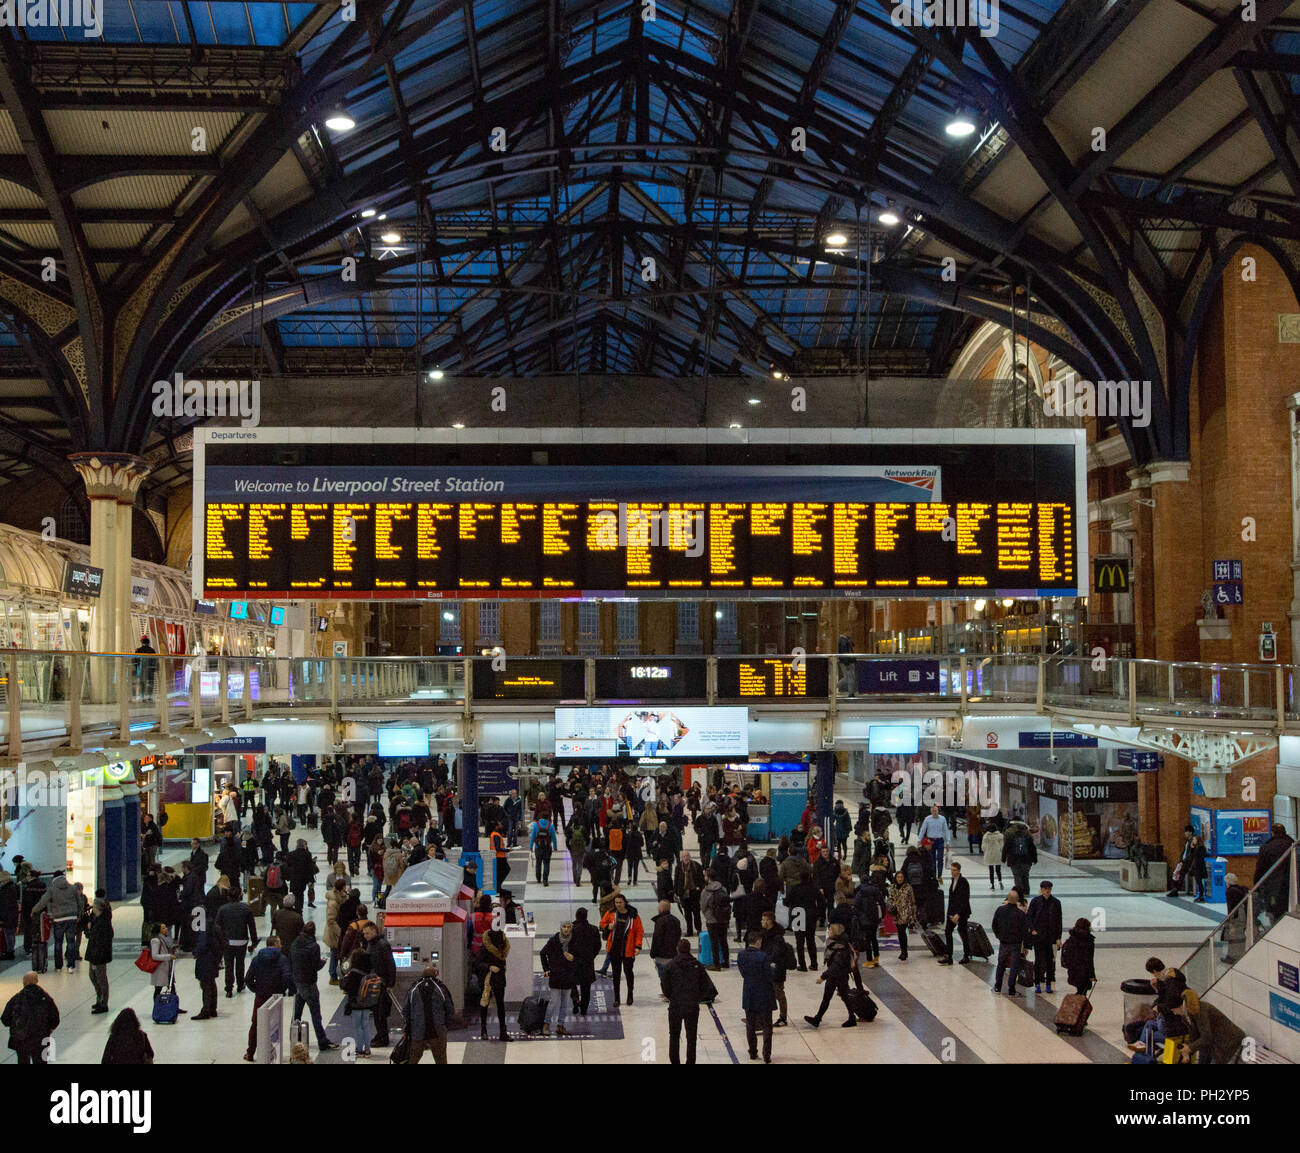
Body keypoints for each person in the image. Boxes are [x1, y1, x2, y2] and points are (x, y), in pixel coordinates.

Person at [659, 938, 717, 1065]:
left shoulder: (670, 966)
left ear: (677, 950)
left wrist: (672, 997)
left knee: (674, 1036)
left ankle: (675, 1061)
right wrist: (696, 997)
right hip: (692, 1006)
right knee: (691, 1038)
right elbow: (706, 986)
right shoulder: (698, 966)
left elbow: (664, 985)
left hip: (676, 1006)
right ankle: (690, 1062)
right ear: (689, 949)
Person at [290, 922, 336, 1052]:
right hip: (309, 984)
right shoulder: (314, 946)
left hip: (298, 982)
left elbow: (291, 961)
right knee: (316, 1014)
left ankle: (294, 1039)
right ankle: (322, 1041)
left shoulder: (294, 943)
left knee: (297, 1014)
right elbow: (315, 966)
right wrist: (323, 962)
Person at [803, 922, 859, 1028]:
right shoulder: (835, 943)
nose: (828, 932)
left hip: (838, 976)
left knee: (839, 997)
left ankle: (850, 1018)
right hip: (837, 975)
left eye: (830, 930)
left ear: (835, 932)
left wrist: (823, 977)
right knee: (834, 997)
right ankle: (818, 1018)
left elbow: (835, 966)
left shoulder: (840, 948)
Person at [737, 929, 778, 1062]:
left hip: (749, 993)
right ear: (759, 942)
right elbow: (770, 975)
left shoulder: (741, 955)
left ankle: (753, 1051)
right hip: (764, 994)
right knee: (767, 1025)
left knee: (750, 1024)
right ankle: (766, 1054)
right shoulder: (763, 957)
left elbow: (743, 973)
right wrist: (773, 968)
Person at [2, 972, 59, 1064]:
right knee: (41, 1061)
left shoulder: (17, 998)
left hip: (21, 1039)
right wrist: (49, 1028)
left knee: (23, 1060)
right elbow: (55, 1017)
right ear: (36, 981)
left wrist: (15, 1026)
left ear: (24, 983)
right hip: (41, 1037)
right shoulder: (45, 997)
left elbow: (5, 1018)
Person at [31, 870, 80, 972]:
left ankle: (58, 966)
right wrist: (79, 915)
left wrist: (34, 910)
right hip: (72, 917)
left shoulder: (52, 889)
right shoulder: (73, 888)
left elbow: (43, 902)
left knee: (58, 942)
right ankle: (70, 966)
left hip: (58, 918)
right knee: (71, 942)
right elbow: (79, 902)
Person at [599, 893, 644, 1006]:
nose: (618, 904)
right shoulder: (611, 913)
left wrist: (638, 946)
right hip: (614, 949)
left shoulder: (633, 916)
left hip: (628, 950)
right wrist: (607, 926)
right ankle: (617, 998)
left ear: (625, 902)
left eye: (620, 902)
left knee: (628, 973)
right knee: (616, 974)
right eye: (616, 902)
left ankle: (630, 995)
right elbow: (602, 923)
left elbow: (639, 931)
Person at [404, 964, 455, 1063]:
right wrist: (445, 1025)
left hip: (418, 1031)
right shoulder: (440, 988)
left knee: (413, 1059)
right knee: (441, 1059)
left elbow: (406, 1011)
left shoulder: (414, 989)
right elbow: (450, 1010)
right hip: (437, 1030)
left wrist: (409, 1027)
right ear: (435, 975)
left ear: (422, 975)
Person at [216, 887, 258, 997]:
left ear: (228, 896)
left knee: (229, 965)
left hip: (228, 941)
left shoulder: (222, 909)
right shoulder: (246, 909)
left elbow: (217, 927)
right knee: (240, 963)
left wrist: (219, 941)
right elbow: (252, 927)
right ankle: (240, 984)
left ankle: (229, 988)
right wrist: (254, 942)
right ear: (240, 896)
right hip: (241, 941)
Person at [539, 922, 577, 1037]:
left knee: (565, 1003)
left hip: (568, 976)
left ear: (571, 928)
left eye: (568, 927)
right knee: (553, 1002)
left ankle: (560, 1025)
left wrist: (573, 958)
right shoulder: (554, 940)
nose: (566, 929)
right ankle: (546, 1024)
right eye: (564, 927)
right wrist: (546, 969)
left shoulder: (574, 941)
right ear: (561, 928)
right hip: (556, 975)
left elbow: (580, 957)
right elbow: (542, 953)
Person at [364, 921, 397, 1047]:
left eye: (367, 933)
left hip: (381, 984)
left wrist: (390, 984)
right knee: (376, 1012)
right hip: (373, 983)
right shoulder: (371, 944)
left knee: (380, 1013)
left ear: (374, 931)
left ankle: (383, 1037)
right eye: (364, 934)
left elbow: (390, 965)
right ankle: (380, 1034)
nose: (365, 936)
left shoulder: (382, 945)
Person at [1026, 880, 1063, 992]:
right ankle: (1037, 982)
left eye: (1049, 889)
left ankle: (1048, 983)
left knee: (1050, 960)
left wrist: (1058, 937)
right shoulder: (1036, 901)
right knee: (1038, 960)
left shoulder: (1055, 902)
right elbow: (1029, 917)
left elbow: (1059, 921)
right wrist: (1032, 930)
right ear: (1041, 890)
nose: (1047, 891)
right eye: (1045, 889)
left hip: (1050, 936)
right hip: (1038, 936)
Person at [475, 927, 511, 1041]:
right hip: (487, 978)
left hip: (499, 977)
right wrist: (489, 967)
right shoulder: (485, 948)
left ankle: (503, 1031)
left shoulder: (503, 946)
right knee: (484, 1003)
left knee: (500, 1005)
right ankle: (483, 1030)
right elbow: (477, 964)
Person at [1253, 823, 1294, 923]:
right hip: (1292, 885)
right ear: (1285, 832)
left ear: (1272, 833)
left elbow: (1260, 869)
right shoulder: (1293, 845)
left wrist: (1256, 887)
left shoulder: (1266, 848)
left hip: (1273, 887)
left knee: (1275, 913)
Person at [991, 890, 1029, 996]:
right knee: (1014, 966)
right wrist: (1024, 944)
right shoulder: (1020, 914)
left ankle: (997, 987)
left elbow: (994, 925)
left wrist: (999, 936)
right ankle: (1011, 989)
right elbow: (1024, 930)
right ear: (1017, 900)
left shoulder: (1000, 910)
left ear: (1007, 898)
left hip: (1004, 942)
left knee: (1001, 964)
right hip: (1016, 943)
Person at [339, 948, 375, 1057]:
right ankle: (367, 1049)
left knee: (357, 1027)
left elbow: (345, 986)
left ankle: (359, 1049)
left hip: (356, 1003)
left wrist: (344, 979)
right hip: (367, 1002)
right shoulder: (368, 972)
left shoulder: (353, 974)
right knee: (366, 1026)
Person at [784, 868, 819, 971]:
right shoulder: (814, 888)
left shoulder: (795, 888)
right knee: (811, 940)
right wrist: (818, 914)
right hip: (811, 915)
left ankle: (802, 965)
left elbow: (787, 902)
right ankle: (814, 964)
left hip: (798, 914)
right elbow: (821, 902)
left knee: (799, 942)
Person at [938, 861, 972, 965]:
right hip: (952, 912)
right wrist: (950, 913)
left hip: (962, 913)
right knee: (948, 931)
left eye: (955, 870)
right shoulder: (953, 880)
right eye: (952, 870)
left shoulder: (963, 882)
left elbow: (964, 899)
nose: (953, 872)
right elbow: (952, 899)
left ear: (959, 870)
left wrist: (958, 914)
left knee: (963, 933)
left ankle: (966, 955)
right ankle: (949, 956)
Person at [569, 906, 601, 1015]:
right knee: (586, 987)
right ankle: (583, 1009)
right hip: (587, 962)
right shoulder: (594, 929)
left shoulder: (571, 929)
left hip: (574, 962)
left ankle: (575, 999)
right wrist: (592, 956)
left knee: (572, 982)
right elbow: (598, 945)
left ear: (576, 916)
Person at [85, 896, 114, 1014]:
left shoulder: (103, 923)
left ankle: (103, 1002)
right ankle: (99, 998)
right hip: (94, 953)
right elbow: (91, 936)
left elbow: (101, 942)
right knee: (93, 976)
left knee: (101, 978)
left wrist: (95, 960)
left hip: (99, 955)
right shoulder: (96, 920)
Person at [701, 867, 732, 970]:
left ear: (708, 878)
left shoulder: (706, 891)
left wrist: (707, 915)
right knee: (724, 940)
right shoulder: (723, 888)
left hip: (711, 919)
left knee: (714, 942)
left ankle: (716, 964)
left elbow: (703, 906)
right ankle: (726, 962)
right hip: (723, 918)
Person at [1060, 917, 1096, 997]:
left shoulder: (1071, 939)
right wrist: (1092, 976)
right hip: (1084, 973)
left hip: (1073, 971)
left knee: (1080, 991)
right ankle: (1077, 1004)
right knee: (1082, 993)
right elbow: (1089, 960)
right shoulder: (1088, 941)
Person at [649, 899, 683, 986]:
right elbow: (678, 935)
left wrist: (653, 953)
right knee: (672, 977)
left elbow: (657, 939)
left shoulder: (660, 921)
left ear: (661, 908)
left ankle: (667, 991)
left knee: (664, 978)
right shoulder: (676, 920)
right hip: (673, 954)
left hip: (662, 955)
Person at [1002, 824, 1038, 897]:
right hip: (1026, 860)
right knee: (1025, 876)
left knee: (1017, 876)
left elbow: (1006, 848)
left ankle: (1019, 893)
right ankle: (1026, 891)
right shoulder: (1028, 837)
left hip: (1014, 860)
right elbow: (1033, 849)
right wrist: (1035, 859)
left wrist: (1003, 858)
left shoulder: (1011, 836)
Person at [917, 804, 951, 879]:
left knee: (940, 858)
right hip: (930, 841)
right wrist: (919, 840)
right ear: (931, 811)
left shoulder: (942, 819)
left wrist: (948, 841)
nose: (934, 812)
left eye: (935, 811)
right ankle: (934, 876)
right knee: (932, 859)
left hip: (940, 840)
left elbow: (946, 830)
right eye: (933, 811)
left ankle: (939, 875)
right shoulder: (927, 819)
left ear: (938, 811)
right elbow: (923, 829)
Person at [675, 850, 704, 937]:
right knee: (687, 914)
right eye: (684, 856)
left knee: (696, 912)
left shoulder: (696, 865)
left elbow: (701, 879)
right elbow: (676, 880)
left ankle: (698, 929)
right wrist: (676, 892)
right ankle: (689, 930)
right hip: (684, 894)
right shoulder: (679, 867)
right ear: (681, 858)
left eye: (687, 856)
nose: (686, 858)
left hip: (695, 893)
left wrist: (700, 888)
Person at [530, 812, 557, 886]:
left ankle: (538, 878)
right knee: (546, 864)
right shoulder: (550, 825)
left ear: (541, 817)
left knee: (538, 863)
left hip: (538, 847)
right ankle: (545, 880)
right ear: (548, 817)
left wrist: (531, 846)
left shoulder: (536, 825)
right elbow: (554, 837)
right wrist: (555, 847)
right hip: (547, 848)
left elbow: (532, 836)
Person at [133, 635, 157, 701]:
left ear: (141, 642)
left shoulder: (138, 650)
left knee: (142, 682)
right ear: (148, 641)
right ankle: (149, 696)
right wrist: (154, 669)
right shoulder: (152, 650)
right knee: (150, 682)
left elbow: (136, 661)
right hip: (150, 669)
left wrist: (137, 669)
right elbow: (155, 660)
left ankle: (142, 696)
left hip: (141, 669)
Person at [981, 825, 1004, 890]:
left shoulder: (986, 836)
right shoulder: (1000, 836)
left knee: (991, 870)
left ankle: (992, 885)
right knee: (998, 869)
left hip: (989, 854)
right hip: (997, 853)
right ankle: (1000, 881)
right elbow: (1002, 846)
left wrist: (985, 851)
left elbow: (983, 847)